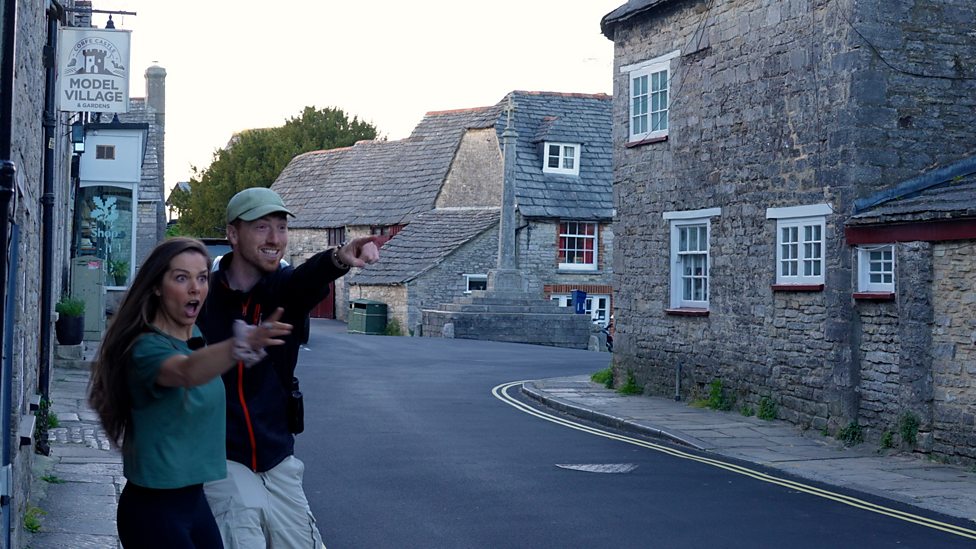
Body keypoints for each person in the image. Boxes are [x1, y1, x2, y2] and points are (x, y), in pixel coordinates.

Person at [198, 187, 380, 548]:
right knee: (242, 534)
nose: (275, 239)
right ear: (233, 234)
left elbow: (307, 279)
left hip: (277, 456)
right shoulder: (204, 296)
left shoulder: (283, 289)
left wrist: (339, 258)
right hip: (220, 457)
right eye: (262, 227)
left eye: (281, 228)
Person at [88, 237, 293, 548]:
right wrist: (239, 347)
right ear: (156, 286)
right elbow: (185, 371)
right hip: (154, 512)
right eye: (181, 278)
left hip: (194, 501)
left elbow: (199, 364)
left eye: (201, 277)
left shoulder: (194, 335)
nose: (196, 288)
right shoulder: (144, 348)